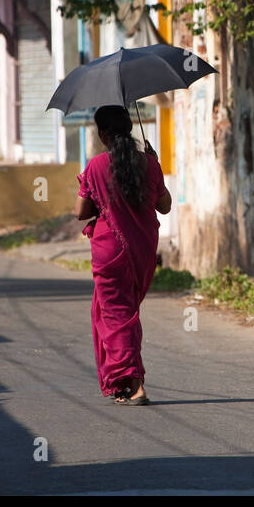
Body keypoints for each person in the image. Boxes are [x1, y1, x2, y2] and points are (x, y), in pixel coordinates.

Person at [74, 105, 172, 405]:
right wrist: (154, 164)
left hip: (110, 251)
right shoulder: (149, 164)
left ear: (104, 134)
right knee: (126, 314)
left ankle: (135, 384)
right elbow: (165, 206)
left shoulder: (96, 165)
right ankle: (126, 380)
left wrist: (102, 203)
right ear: (129, 129)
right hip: (142, 252)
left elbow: (81, 212)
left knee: (116, 316)